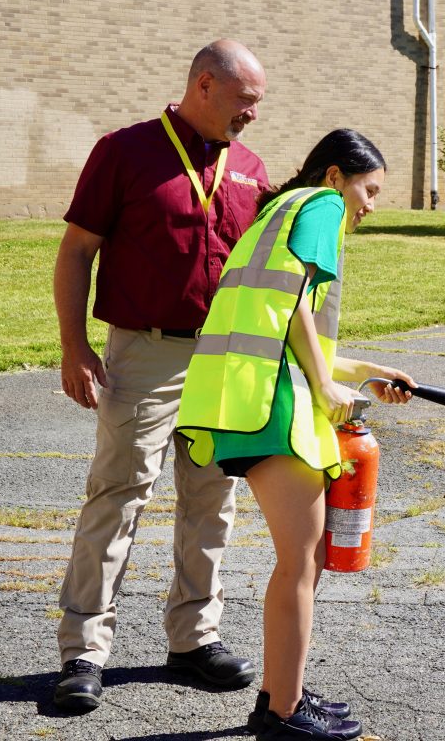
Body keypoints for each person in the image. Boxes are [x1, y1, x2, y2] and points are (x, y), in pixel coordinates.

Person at [175, 128, 414, 741]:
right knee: (301, 562)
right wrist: (330, 389)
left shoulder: (277, 213)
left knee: (302, 560)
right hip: (272, 409)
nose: (370, 203)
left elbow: (284, 326)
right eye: (369, 188)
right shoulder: (321, 206)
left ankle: (279, 698)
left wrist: (366, 372)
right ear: (335, 175)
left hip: (250, 402)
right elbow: (295, 307)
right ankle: (283, 715)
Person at [52, 39, 268, 712]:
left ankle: (193, 640)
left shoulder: (253, 168)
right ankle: (83, 651)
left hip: (226, 361)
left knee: (213, 501)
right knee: (118, 495)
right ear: (204, 84)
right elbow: (77, 251)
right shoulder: (125, 151)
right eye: (244, 101)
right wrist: (74, 346)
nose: (251, 116)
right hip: (145, 353)